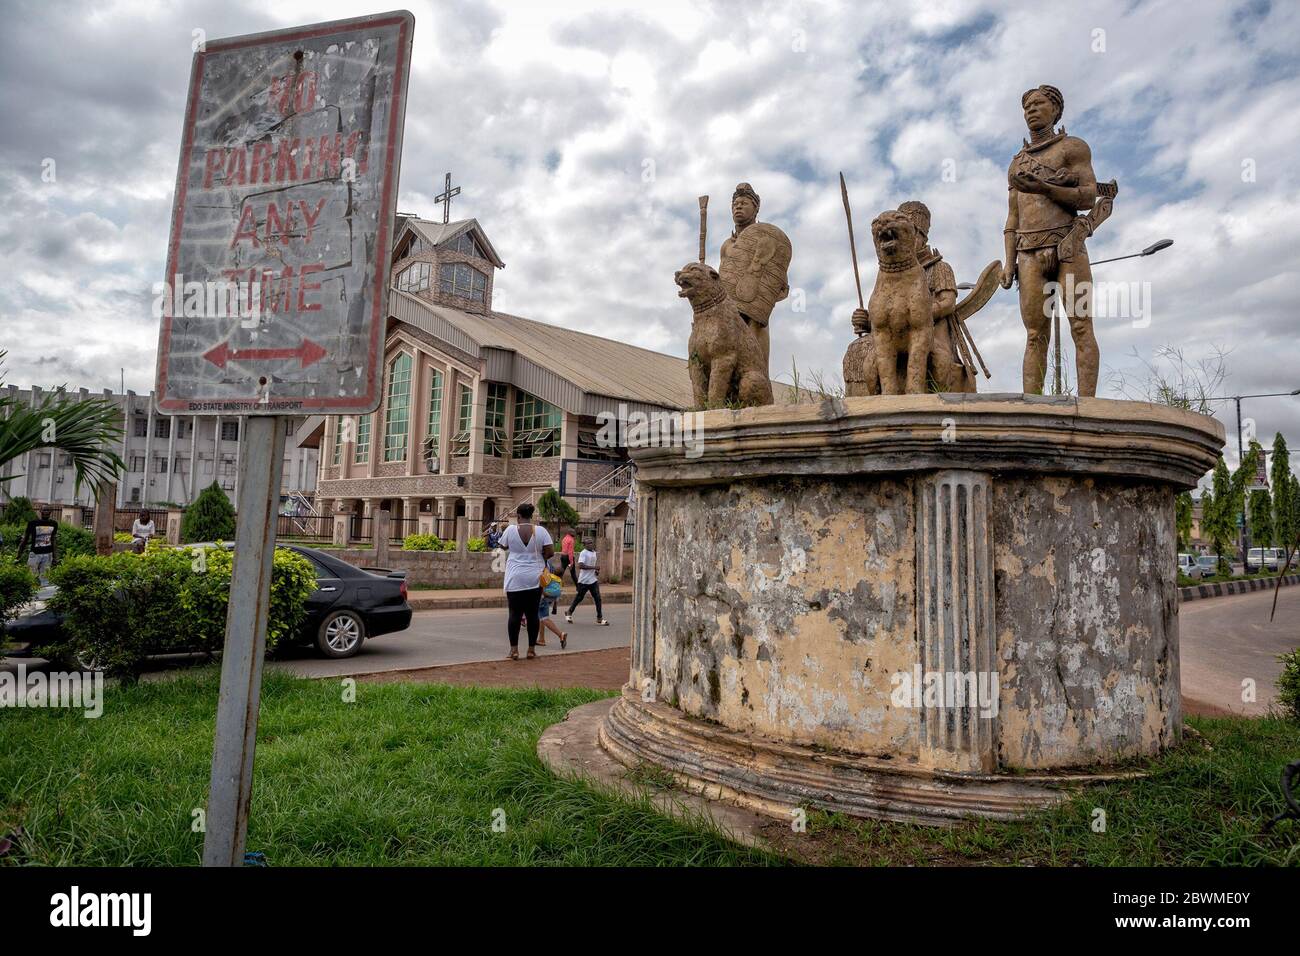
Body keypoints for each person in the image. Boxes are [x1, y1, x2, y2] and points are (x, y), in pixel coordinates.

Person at [497, 503, 554, 660]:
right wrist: (539, 557)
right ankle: (531, 650)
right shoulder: (541, 531)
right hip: (535, 578)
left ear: (518, 516)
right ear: (532, 516)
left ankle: (514, 650)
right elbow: (550, 552)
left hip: (515, 577)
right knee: (532, 615)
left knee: (514, 614)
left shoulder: (510, 530)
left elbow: (501, 547)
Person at [565, 543, 609, 626]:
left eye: (591, 543)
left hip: (593, 580)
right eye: (588, 543)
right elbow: (580, 565)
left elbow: (593, 566)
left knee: (598, 598)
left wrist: (596, 571)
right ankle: (569, 612)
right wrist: (594, 568)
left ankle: (599, 618)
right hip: (584, 581)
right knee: (579, 598)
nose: (590, 544)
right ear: (585, 545)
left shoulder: (594, 553)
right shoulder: (583, 553)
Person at [17, 507, 58, 587]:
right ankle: (31, 596)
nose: (46, 512)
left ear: (51, 511)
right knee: (31, 576)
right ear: (40, 511)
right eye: (44, 510)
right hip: (35, 554)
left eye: (48, 510)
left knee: (45, 578)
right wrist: (19, 554)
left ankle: (42, 597)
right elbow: (25, 539)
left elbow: (53, 540)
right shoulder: (33, 523)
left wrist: (55, 557)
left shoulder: (54, 524)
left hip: (47, 554)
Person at [535, 557, 568, 649]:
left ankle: (560, 634)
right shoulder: (559, 581)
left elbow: (541, 582)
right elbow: (557, 594)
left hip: (542, 597)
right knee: (542, 618)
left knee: (543, 618)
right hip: (549, 599)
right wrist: (555, 607)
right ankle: (541, 639)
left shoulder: (545, 568)